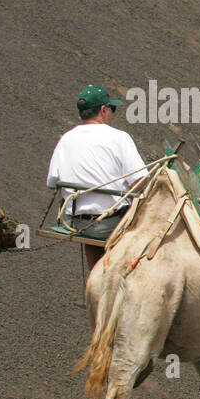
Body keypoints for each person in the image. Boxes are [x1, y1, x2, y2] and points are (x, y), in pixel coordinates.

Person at [47, 86, 148, 276]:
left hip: (76, 223)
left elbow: (53, 181)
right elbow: (140, 181)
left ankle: (97, 276)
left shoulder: (66, 139)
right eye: (112, 109)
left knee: (93, 235)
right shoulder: (119, 138)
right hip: (111, 224)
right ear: (103, 110)